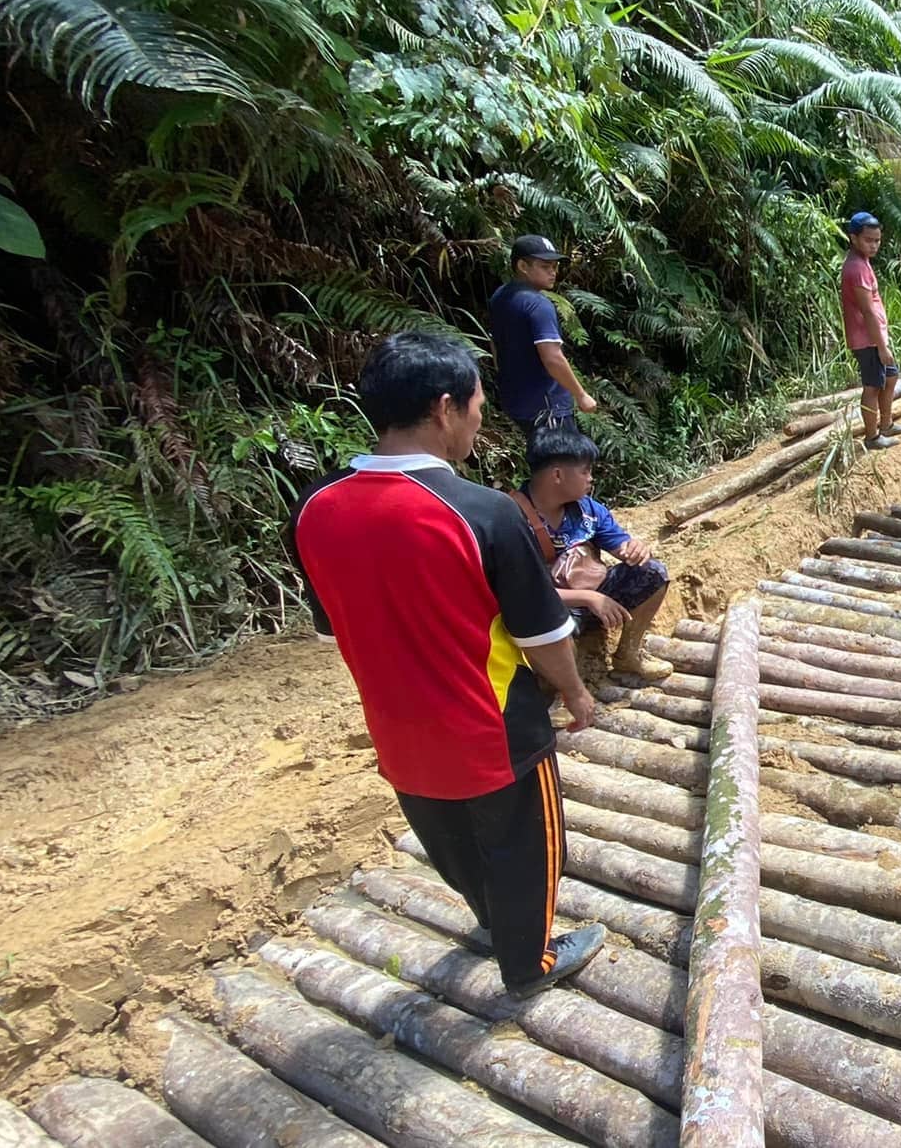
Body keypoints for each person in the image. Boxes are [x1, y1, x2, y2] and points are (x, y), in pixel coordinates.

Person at [285, 332, 605, 997]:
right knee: (529, 848)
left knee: (455, 844)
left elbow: (332, 622)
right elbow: (542, 632)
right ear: (443, 409)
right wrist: (575, 692)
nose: (481, 418)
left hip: (398, 729)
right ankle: (529, 962)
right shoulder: (481, 513)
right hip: (492, 725)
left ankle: (495, 923)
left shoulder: (314, 509)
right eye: (477, 404)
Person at [510, 427, 675, 680]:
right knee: (546, 616)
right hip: (546, 603)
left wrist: (635, 549)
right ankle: (561, 690)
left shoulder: (589, 509)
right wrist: (588, 598)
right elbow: (523, 592)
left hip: (590, 596)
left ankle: (628, 654)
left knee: (653, 572)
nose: (591, 478)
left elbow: (621, 546)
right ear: (557, 475)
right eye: (585, 471)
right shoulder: (511, 519)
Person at [488, 234, 598, 443]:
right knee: (563, 468)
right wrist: (581, 395)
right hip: (548, 406)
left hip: (518, 402)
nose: (553, 272)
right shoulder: (539, 305)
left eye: (555, 267)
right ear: (522, 265)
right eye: (545, 266)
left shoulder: (500, 296)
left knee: (542, 464)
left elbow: (495, 345)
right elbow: (552, 358)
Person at [840, 212, 901, 448]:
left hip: (874, 337)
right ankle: (872, 436)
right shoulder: (856, 268)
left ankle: (886, 423)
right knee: (873, 385)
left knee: (891, 376)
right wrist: (881, 346)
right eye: (868, 240)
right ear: (854, 238)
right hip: (867, 340)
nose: (874, 245)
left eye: (877, 240)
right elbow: (867, 311)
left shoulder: (862, 262)